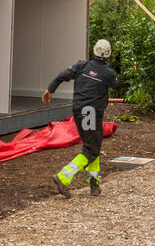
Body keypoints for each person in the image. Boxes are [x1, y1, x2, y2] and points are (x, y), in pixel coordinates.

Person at [42, 39, 118, 197]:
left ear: (94, 51)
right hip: (91, 113)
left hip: (78, 111)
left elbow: (62, 76)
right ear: (108, 54)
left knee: (92, 146)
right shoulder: (108, 73)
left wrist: (50, 90)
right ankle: (63, 176)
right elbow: (116, 83)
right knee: (91, 149)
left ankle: (94, 184)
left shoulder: (81, 66)